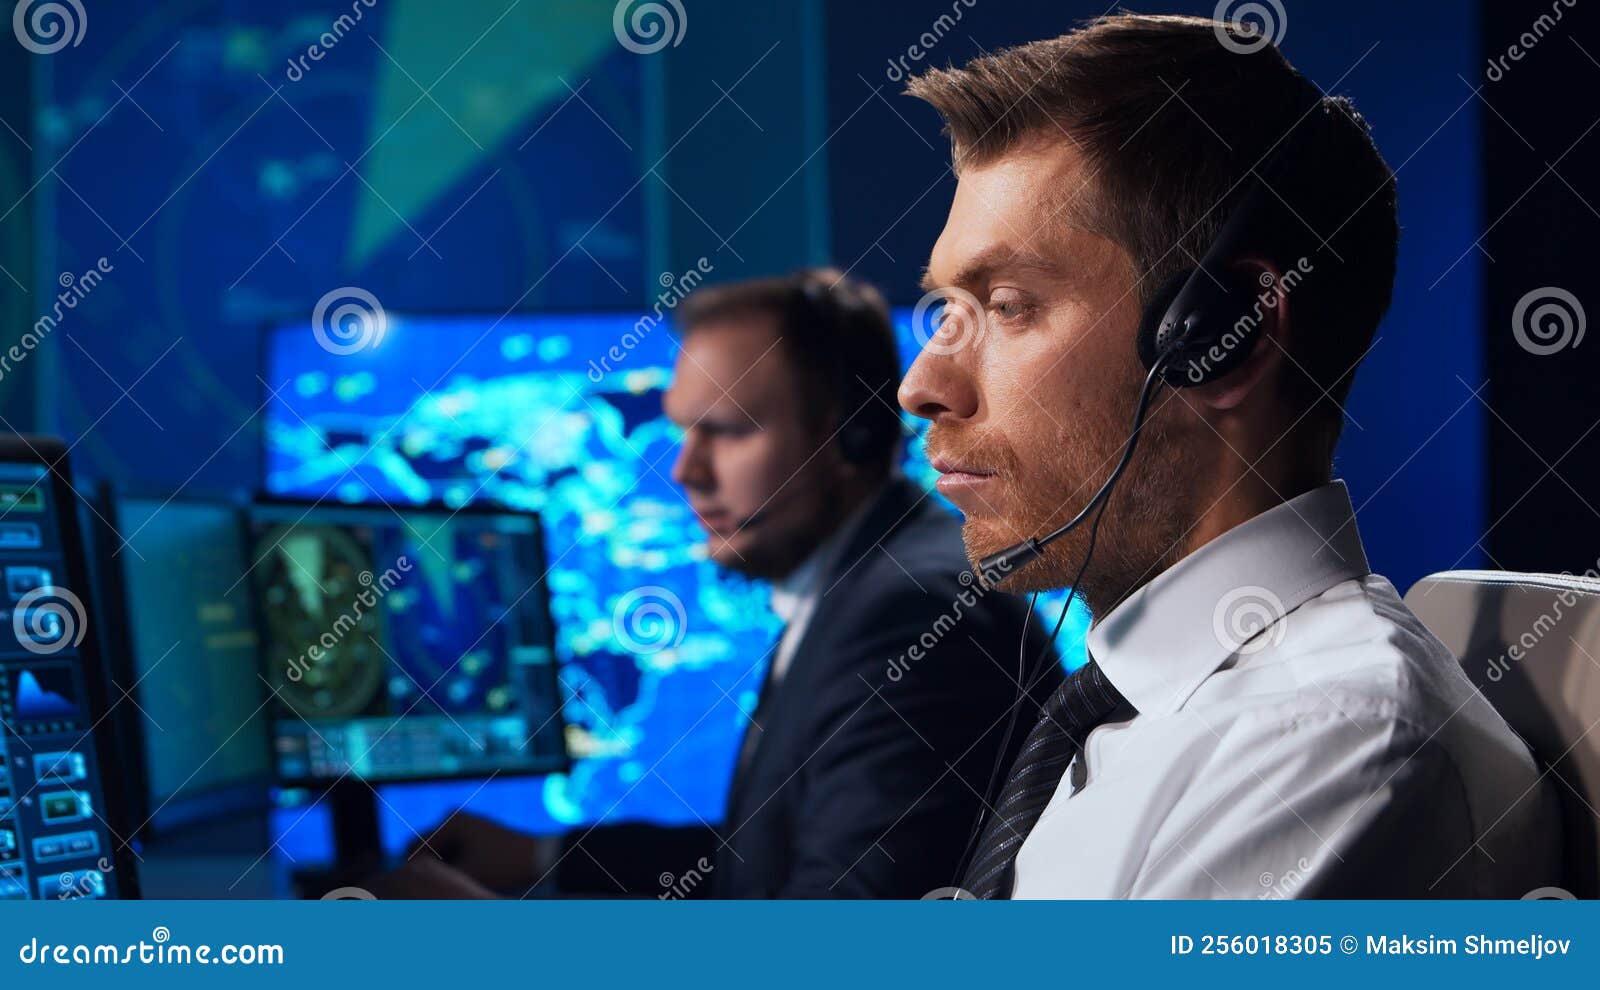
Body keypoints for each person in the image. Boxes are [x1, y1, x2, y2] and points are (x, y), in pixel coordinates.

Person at [896, 14, 1560, 898]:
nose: (922, 384)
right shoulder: (1134, 702)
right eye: (945, 307)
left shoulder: (1331, 746)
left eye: (1009, 305)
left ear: (1222, 339)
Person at [382, 267, 1057, 899]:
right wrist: (542, 863)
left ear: (850, 436)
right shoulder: (870, 580)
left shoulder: (913, 616)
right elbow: (765, 859)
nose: (685, 471)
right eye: (683, 431)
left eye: (727, 432)